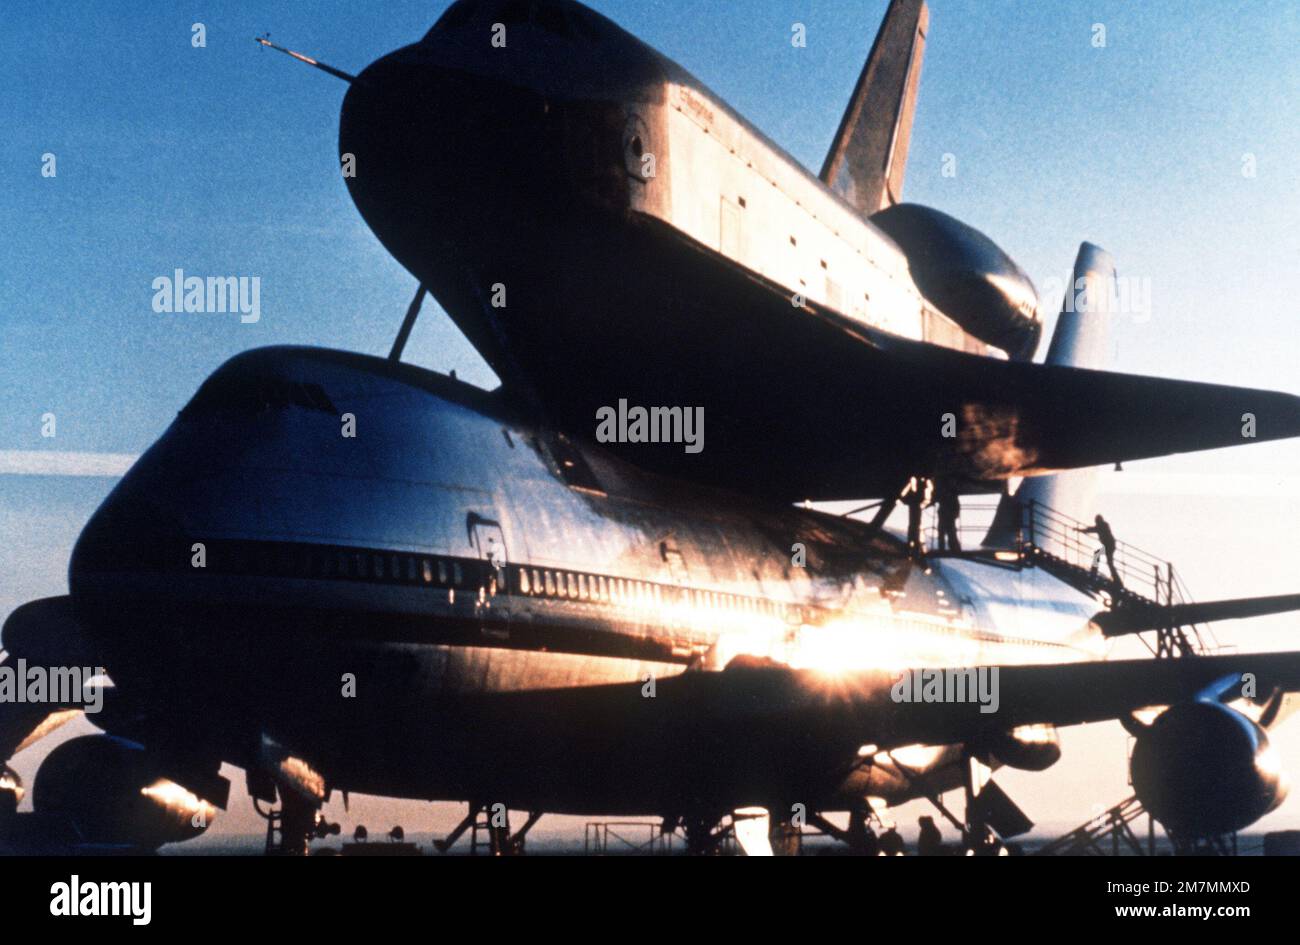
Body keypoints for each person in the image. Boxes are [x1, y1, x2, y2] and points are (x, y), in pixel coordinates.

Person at [1081, 514, 1121, 586]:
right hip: (1109, 545)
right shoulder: (1103, 525)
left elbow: (1094, 529)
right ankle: (1116, 579)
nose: (1096, 522)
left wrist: (1083, 530)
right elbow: (1093, 529)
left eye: (1096, 521)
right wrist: (1084, 530)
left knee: (1106, 560)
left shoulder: (1103, 525)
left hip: (1109, 546)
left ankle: (1095, 572)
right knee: (1103, 559)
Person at [901, 476, 933, 558]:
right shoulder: (920, 496)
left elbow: (903, 495)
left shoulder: (913, 498)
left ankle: (911, 551)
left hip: (913, 520)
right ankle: (915, 551)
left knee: (913, 530)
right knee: (915, 531)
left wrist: (909, 485)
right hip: (916, 520)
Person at [936, 485, 961, 552]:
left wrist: (955, 514)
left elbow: (957, 507)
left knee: (950, 534)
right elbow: (957, 507)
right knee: (946, 534)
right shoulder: (948, 496)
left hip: (948, 517)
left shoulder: (951, 496)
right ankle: (944, 549)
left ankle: (953, 548)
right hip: (945, 517)